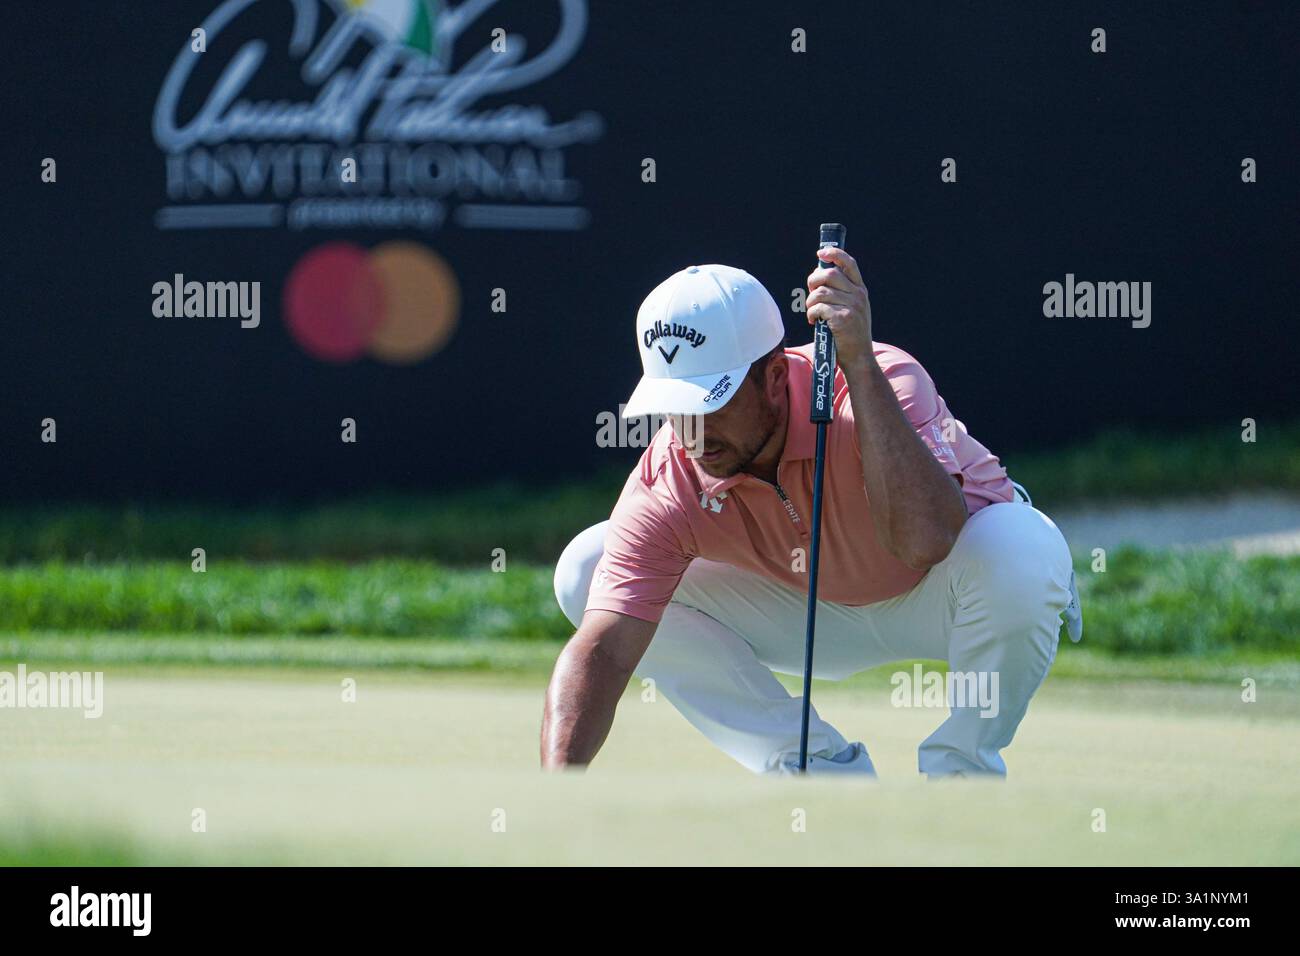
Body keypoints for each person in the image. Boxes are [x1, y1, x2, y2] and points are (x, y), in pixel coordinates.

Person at [541, 249, 1082, 777]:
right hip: (806, 615)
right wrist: (557, 793)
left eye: (711, 401)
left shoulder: (883, 378)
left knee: (1020, 544)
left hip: (949, 601)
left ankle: (959, 777)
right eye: (674, 406)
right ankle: (820, 773)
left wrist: (860, 366)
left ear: (775, 376)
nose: (691, 431)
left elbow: (927, 542)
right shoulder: (670, 473)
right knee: (586, 568)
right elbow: (605, 652)